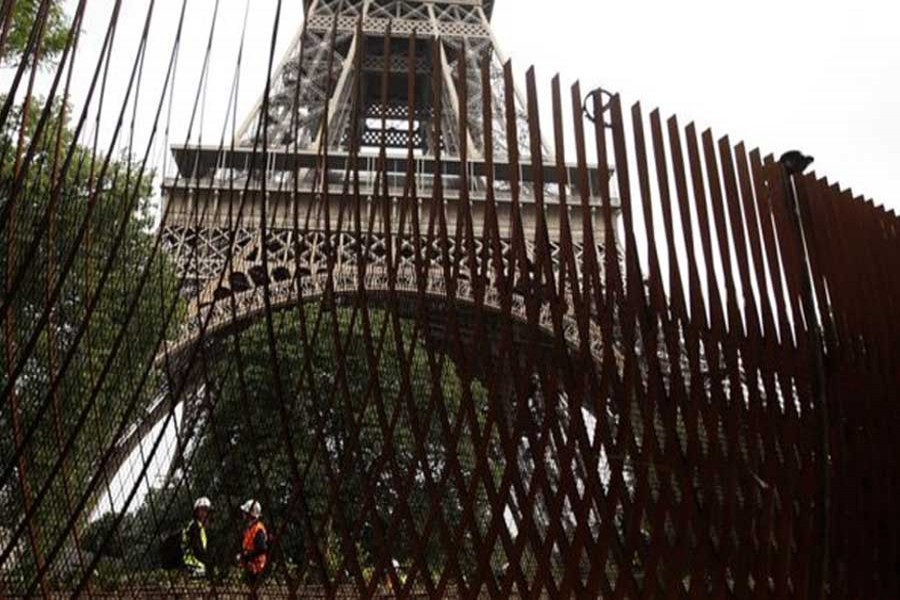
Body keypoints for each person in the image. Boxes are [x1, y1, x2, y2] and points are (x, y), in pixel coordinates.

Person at [237, 499, 268, 588]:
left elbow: (262, 548)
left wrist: (246, 556)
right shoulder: (250, 528)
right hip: (251, 567)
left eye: (245, 513)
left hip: (256, 568)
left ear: (249, 515)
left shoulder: (258, 529)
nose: (243, 515)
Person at [182, 497, 211, 578]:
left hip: (196, 559)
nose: (204, 513)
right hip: (191, 560)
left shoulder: (201, 526)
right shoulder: (194, 526)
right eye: (202, 510)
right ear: (197, 512)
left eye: (206, 510)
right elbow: (197, 547)